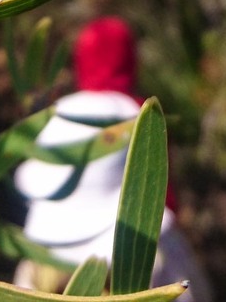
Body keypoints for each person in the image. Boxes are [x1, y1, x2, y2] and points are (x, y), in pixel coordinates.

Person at [13, 17, 212, 302]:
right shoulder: (138, 114)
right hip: (122, 256)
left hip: (47, 256)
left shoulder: (56, 114)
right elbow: (161, 198)